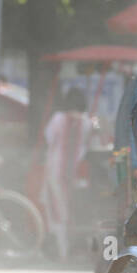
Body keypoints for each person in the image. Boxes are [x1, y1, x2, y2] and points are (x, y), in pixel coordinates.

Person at [40, 89, 92, 258]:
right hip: (75, 172)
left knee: (56, 208)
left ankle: (62, 250)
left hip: (55, 170)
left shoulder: (58, 119)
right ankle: (70, 246)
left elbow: (48, 139)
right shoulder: (86, 122)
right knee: (70, 207)